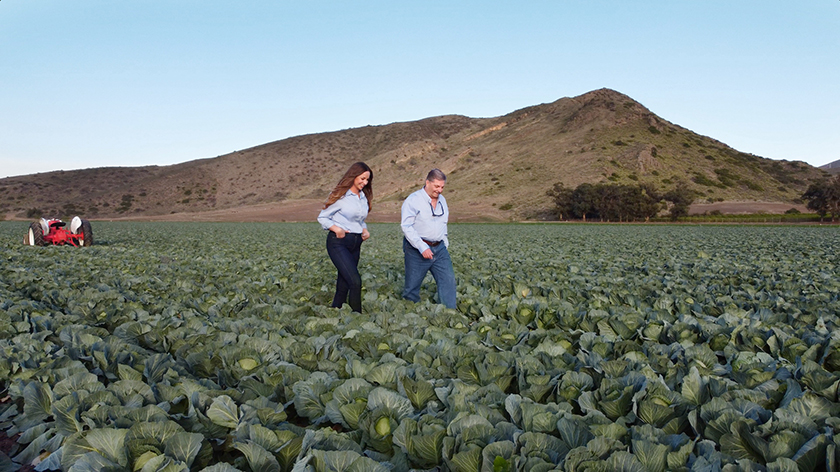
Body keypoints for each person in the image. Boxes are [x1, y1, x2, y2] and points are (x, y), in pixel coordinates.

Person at [317, 162, 372, 313]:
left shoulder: (363, 198)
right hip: (338, 243)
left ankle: (336, 310)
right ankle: (357, 316)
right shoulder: (341, 196)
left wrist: (364, 230)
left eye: (367, 180)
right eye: (362, 178)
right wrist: (337, 229)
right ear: (353, 176)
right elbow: (322, 217)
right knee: (355, 281)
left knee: (344, 281)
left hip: (356, 243)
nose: (364, 182)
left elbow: (359, 220)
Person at [400, 168, 456, 309]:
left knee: (448, 281)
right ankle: (410, 315)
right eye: (437, 186)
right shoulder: (413, 200)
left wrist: (444, 241)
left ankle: (449, 313)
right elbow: (406, 226)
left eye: (442, 187)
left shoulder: (442, 200)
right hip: (417, 249)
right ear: (427, 182)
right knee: (412, 287)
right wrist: (421, 246)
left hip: (440, 248)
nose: (440, 190)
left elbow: (443, 222)